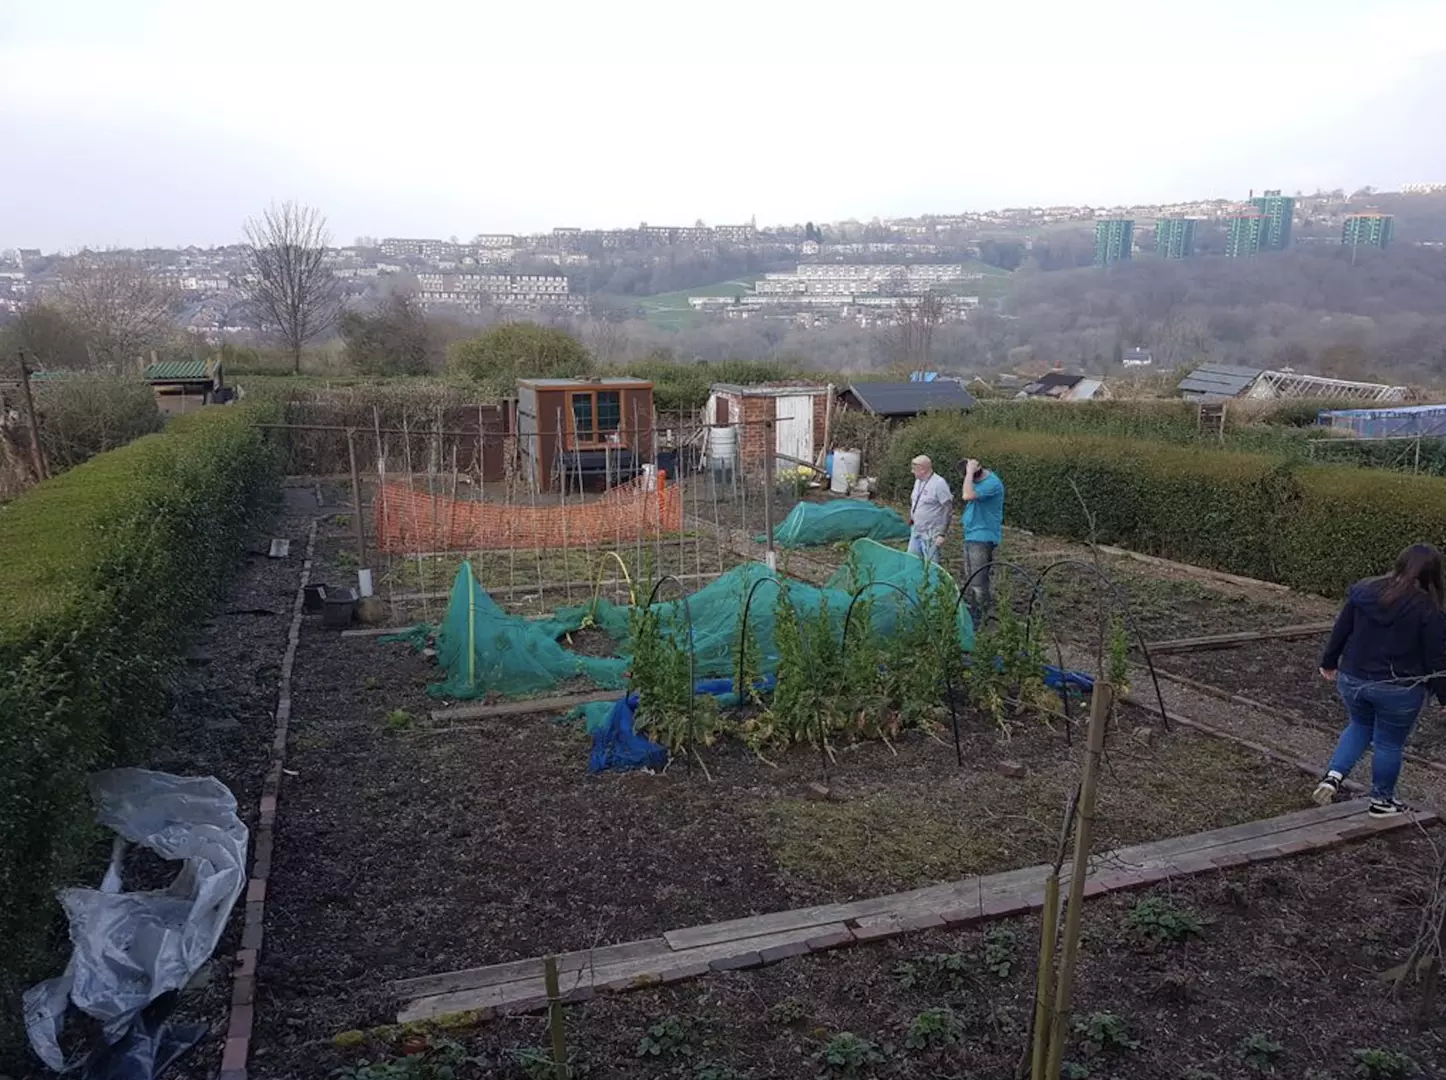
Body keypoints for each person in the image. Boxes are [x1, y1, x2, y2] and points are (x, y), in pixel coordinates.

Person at [1313, 544, 1446, 817]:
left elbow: (1342, 628)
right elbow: (1437, 656)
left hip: (1353, 678)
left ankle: (1333, 776)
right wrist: (1444, 696)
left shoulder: (1365, 590)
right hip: (1399, 688)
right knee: (1388, 743)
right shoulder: (1428, 608)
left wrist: (1328, 662)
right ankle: (1381, 801)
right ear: (1434, 573)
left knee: (1360, 724)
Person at [957, 457, 1005, 617]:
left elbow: (967, 495)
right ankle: (975, 612)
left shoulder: (992, 483)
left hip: (983, 536)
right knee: (971, 578)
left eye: (969, 476)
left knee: (978, 581)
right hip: (972, 534)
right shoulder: (977, 481)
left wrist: (969, 473)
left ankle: (981, 617)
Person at [906, 455, 952, 564]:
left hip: (931, 533)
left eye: (914, 469)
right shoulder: (918, 481)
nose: (912, 471)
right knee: (911, 561)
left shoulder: (939, 484)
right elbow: (917, 501)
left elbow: (948, 509)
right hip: (916, 530)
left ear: (923, 469)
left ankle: (933, 581)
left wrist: (942, 533)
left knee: (931, 566)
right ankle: (914, 580)